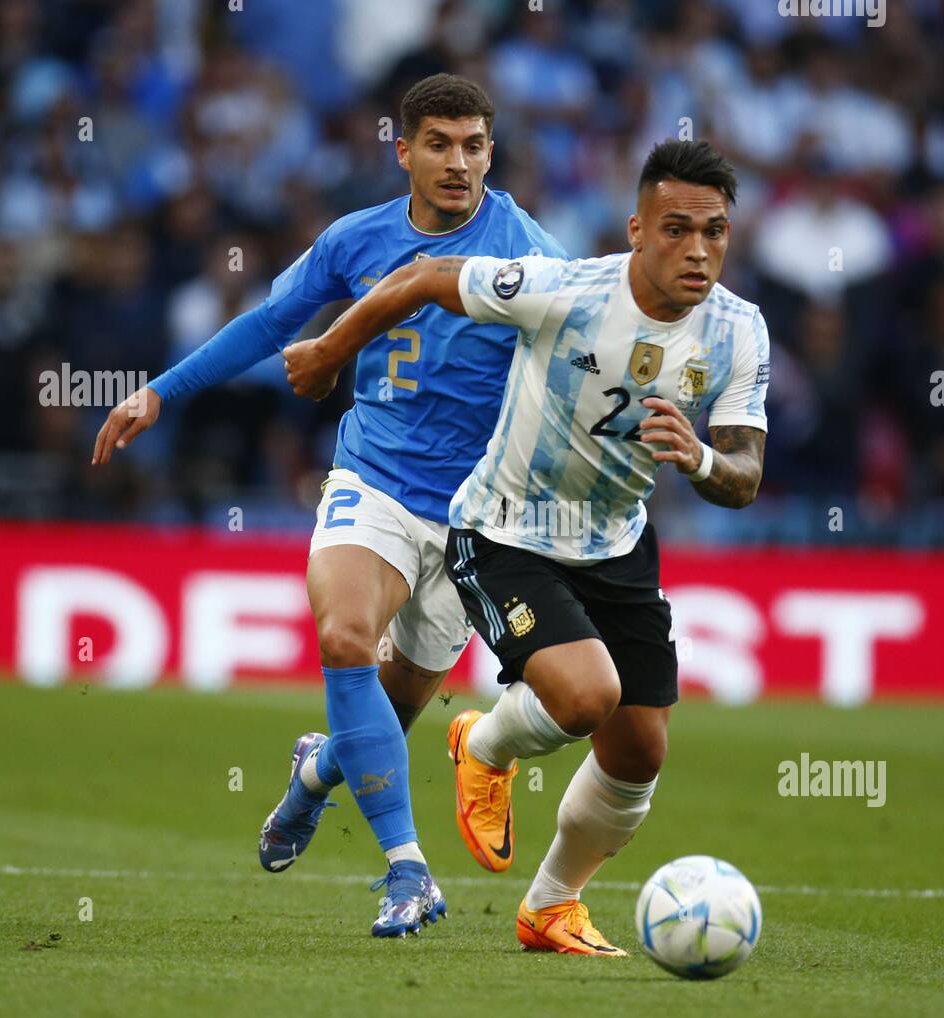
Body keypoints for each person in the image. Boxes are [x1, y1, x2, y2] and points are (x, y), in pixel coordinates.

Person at [91, 74, 566, 938]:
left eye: (473, 145)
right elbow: (271, 325)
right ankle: (408, 872)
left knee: (391, 708)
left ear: (491, 152)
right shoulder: (357, 239)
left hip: (473, 520)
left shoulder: (530, 254)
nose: (457, 162)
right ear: (405, 150)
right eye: (439, 144)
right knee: (344, 635)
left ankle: (315, 775)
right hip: (373, 479)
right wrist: (161, 392)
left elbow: (573, 365)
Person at [283, 139, 769, 954]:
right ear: (637, 229)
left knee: (640, 749)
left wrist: (703, 458)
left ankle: (551, 906)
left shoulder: (737, 330)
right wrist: (332, 350)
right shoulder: (567, 290)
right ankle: (482, 742)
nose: (697, 250)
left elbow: (746, 471)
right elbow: (422, 280)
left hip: (617, 540)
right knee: (585, 697)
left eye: (715, 231)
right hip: (506, 530)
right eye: (676, 229)